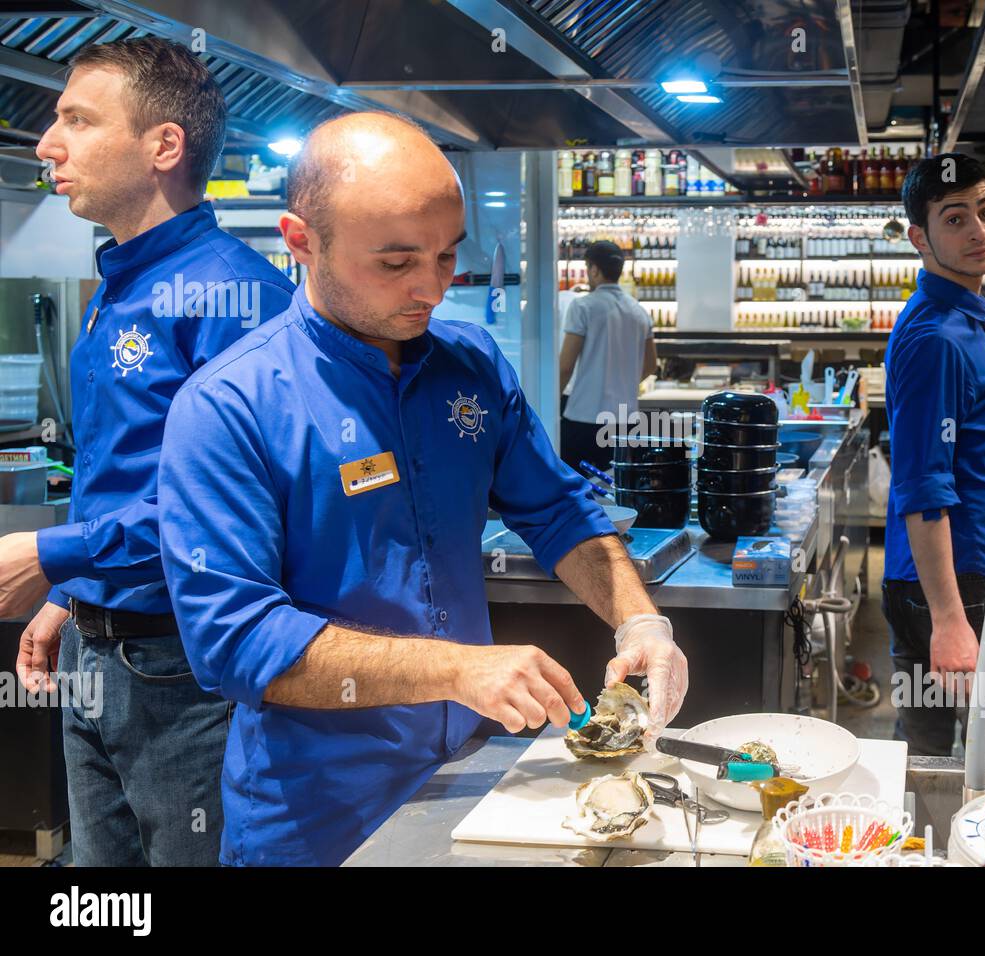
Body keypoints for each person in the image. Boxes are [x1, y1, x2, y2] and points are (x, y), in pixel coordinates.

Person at [156, 112, 688, 866]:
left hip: (469, 776)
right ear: (300, 239)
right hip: (316, 813)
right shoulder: (228, 407)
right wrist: (457, 667)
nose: (432, 288)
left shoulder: (468, 364)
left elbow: (557, 508)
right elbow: (233, 641)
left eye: (446, 256)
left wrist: (641, 623)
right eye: (398, 262)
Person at [6, 37, 295, 866]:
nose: (46, 144)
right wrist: (71, 590)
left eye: (76, 120)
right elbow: (128, 475)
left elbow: (231, 504)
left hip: (183, 667)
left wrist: (51, 552)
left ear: (163, 146)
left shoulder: (237, 298)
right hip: (95, 653)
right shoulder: (119, 283)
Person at [881, 153, 985, 759]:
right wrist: (949, 620)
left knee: (933, 755)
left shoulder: (958, 318)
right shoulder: (938, 338)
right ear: (919, 237)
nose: (979, 231)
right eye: (955, 219)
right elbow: (924, 488)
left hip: (961, 577)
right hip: (966, 585)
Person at [557, 240, 656, 472]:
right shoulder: (639, 312)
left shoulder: (583, 307)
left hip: (585, 419)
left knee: (579, 492)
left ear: (593, 269)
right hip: (626, 420)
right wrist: (621, 383)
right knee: (617, 491)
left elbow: (565, 366)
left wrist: (550, 403)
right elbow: (651, 365)